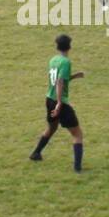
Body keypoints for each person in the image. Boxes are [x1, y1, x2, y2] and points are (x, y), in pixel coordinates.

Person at [30, 33, 86, 172]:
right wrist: (60, 103)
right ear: (69, 47)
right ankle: (77, 168)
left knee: (52, 128)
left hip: (49, 99)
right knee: (77, 134)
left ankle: (36, 153)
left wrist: (73, 76)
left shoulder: (53, 60)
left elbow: (57, 80)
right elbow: (60, 82)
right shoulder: (66, 62)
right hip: (60, 102)